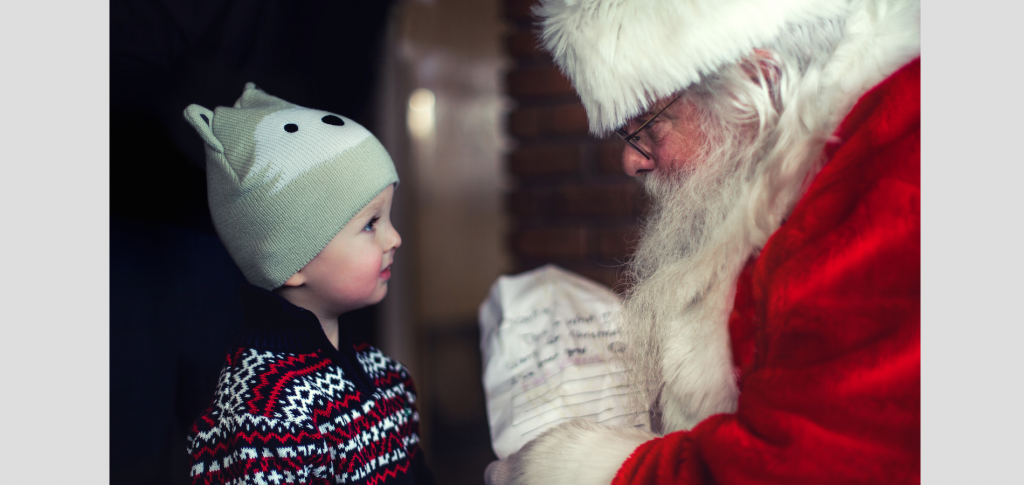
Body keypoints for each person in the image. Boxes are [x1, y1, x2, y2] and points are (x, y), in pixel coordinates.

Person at [486, 0, 920, 483]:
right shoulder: (806, 161)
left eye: (648, 124)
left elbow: (809, 463)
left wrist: (584, 470)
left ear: (759, 79)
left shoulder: (899, 166)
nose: (631, 162)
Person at [182, 83, 433, 485]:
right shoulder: (263, 417)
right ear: (291, 260)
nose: (394, 238)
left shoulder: (388, 377)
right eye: (371, 223)